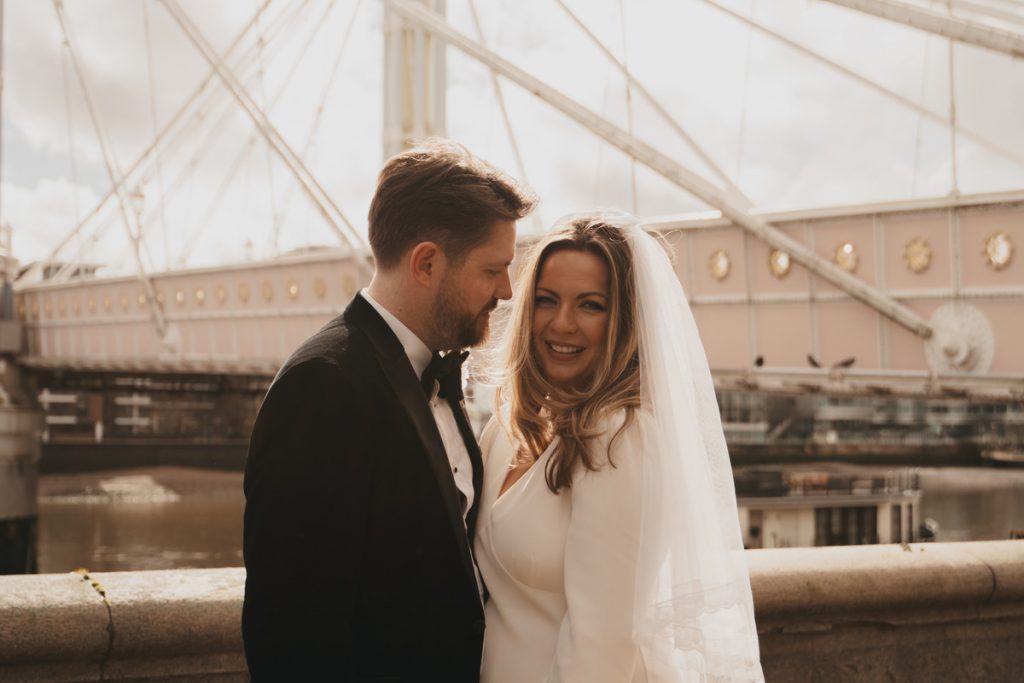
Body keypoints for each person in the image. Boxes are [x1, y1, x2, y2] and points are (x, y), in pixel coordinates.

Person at [242, 138, 536, 681]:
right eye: (493, 270)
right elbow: (289, 633)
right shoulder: (322, 386)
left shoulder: (435, 371)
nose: (508, 289)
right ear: (426, 263)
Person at [475, 214, 764, 682]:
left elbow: (603, 649)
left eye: (590, 305)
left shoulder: (620, 438)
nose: (562, 323)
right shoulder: (508, 429)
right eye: (547, 301)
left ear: (625, 321)